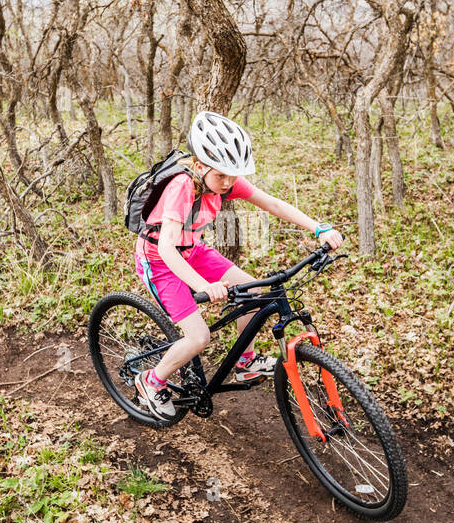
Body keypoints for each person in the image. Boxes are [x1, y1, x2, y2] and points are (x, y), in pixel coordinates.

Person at [133, 110, 344, 419]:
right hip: (160, 262)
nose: (228, 182)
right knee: (198, 337)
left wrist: (318, 227)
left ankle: (245, 363)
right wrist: (203, 286)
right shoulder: (181, 186)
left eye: (232, 175)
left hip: (194, 251)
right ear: (201, 164)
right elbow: (166, 247)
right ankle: (150, 381)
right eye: (221, 175)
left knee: (256, 294)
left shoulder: (224, 180)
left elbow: (270, 202)